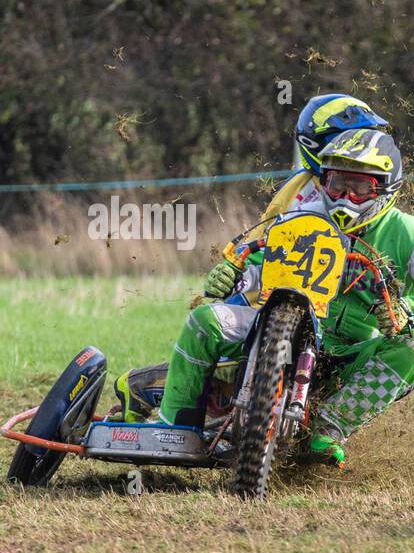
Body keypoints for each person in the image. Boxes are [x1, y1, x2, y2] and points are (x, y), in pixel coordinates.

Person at [152, 128, 414, 467]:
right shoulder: (305, 212)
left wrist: (408, 309)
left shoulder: (410, 232)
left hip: (350, 357)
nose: (346, 196)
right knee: (204, 321)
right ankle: (173, 428)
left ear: (385, 188)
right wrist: (235, 273)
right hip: (282, 332)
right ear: (323, 181)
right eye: (337, 183)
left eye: (360, 187)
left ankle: (328, 428)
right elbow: (261, 261)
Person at [111, 93, 390, 421]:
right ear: (323, 147)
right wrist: (236, 267)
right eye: (355, 140)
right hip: (274, 301)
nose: (365, 148)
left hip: (330, 321)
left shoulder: (375, 196)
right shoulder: (298, 193)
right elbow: (260, 245)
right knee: (226, 363)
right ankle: (146, 390)